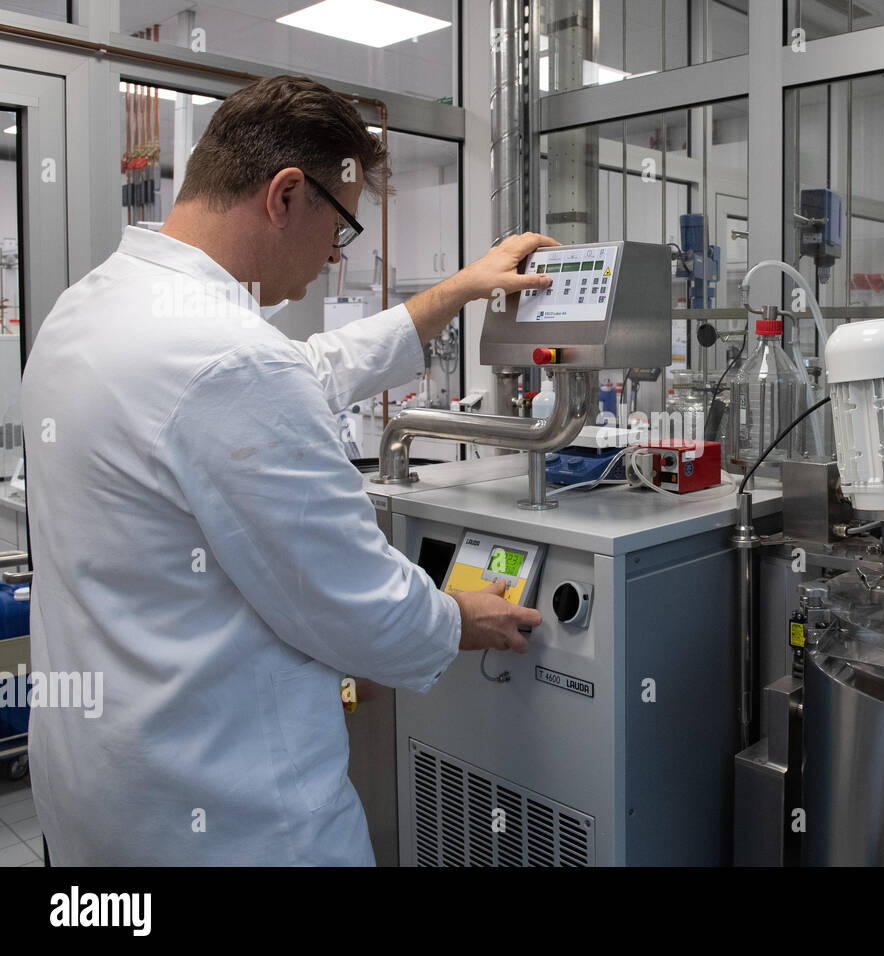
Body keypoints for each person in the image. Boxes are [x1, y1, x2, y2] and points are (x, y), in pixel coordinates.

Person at [21, 74, 551, 865]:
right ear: (287, 195)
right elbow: (356, 604)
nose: (331, 263)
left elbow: (298, 371)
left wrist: (458, 290)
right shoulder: (231, 360)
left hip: (97, 797)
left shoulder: (91, 307)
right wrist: (459, 619)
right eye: (339, 234)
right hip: (232, 819)